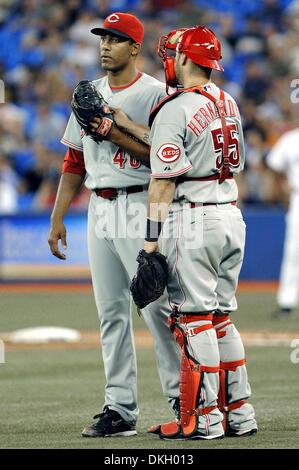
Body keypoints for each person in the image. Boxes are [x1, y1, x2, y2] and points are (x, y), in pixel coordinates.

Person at [48, 12, 181, 438]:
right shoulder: (89, 93)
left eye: (116, 39)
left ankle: (183, 401)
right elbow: (73, 160)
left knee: (157, 308)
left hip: (142, 203)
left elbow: (167, 163)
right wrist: (58, 216)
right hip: (99, 208)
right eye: (102, 38)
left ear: (135, 47)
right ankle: (120, 409)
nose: (105, 45)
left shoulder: (157, 95)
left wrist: (116, 130)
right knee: (110, 313)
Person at [134, 25, 257, 440]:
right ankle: (240, 414)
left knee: (193, 320)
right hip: (230, 215)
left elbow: (164, 182)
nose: (167, 59)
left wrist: (150, 244)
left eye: (171, 53)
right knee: (221, 319)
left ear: (184, 58)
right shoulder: (228, 101)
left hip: (194, 220)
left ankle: (205, 418)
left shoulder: (175, 107)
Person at [266, 127, 299, 317]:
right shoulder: (291, 139)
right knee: (293, 252)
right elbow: (274, 164)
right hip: (297, 198)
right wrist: (284, 188)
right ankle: (286, 302)